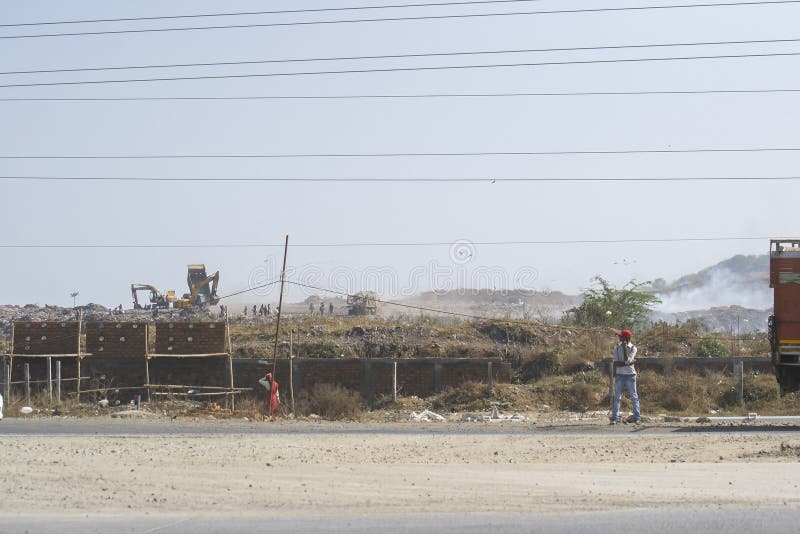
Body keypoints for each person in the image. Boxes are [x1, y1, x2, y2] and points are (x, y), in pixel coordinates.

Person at [611, 329, 641, 425]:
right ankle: (615, 417)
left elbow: (626, 360)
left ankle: (637, 417)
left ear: (627, 338)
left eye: (621, 337)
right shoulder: (616, 348)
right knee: (617, 397)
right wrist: (629, 363)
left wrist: (624, 350)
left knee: (634, 397)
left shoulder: (633, 348)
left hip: (630, 375)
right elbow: (616, 362)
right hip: (619, 375)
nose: (620, 338)